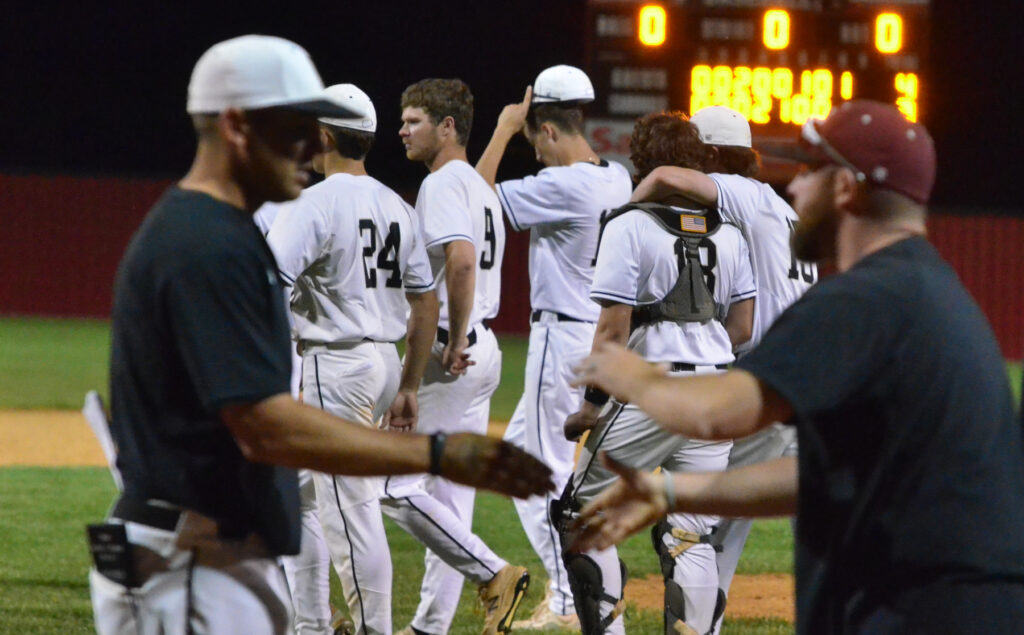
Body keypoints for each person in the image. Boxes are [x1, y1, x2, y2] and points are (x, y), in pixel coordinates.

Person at [87, 35, 553, 635]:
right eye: (295, 128)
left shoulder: (221, 231)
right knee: (349, 504)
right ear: (235, 126)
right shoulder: (202, 246)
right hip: (181, 565)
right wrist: (436, 452)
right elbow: (269, 425)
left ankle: (315, 621)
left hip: (214, 555)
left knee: (325, 502)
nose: (312, 146)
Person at [570, 100, 1024, 634]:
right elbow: (818, 478)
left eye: (810, 172)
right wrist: (673, 492)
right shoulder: (929, 289)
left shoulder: (866, 299)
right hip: (955, 607)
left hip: (918, 612)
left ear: (845, 190)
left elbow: (720, 415)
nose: (794, 189)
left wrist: (631, 375)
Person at [555, 112, 755, 635]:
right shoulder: (731, 232)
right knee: (692, 530)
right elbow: (743, 325)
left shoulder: (629, 224)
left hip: (651, 390)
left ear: (640, 161)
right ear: (698, 160)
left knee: (582, 515)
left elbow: (612, 332)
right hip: (715, 390)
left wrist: (591, 407)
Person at [264, 83, 442, 635]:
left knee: (351, 508)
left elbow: (270, 284)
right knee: (299, 497)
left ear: (322, 135)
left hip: (335, 366)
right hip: (384, 362)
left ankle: (374, 628)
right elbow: (425, 300)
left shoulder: (315, 202)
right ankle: (312, 623)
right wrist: (410, 385)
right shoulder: (395, 202)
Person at [630, 105, 816, 632]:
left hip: (764, 382)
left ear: (711, 155)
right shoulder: (785, 210)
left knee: (690, 530)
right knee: (715, 534)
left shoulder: (742, 194)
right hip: (795, 386)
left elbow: (665, 175)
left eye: (700, 153)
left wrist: (622, 216)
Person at [474, 64, 633, 631]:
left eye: (532, 135)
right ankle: (578, 588)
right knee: (521, 456)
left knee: (541, 473)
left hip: (561, 336)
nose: (531, 148)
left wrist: (499, 130)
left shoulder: (564, 184)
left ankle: (575, 597)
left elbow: (469, 198)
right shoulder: (617, 176)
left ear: (547, 129)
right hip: (597, 332)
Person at [386, 77, 528, 635]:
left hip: (456, 348)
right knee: (449, 496)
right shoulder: (475, 185)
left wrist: (454, 338)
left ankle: (495, 571)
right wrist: (504, 130)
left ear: (447, 128)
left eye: (413, 119)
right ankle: (430, 626)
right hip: (483, 350)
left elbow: (462, 262)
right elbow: (481, 189)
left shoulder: (443, 183)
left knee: (392, 487)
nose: (401, 129)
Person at [255, 202, 335, 635]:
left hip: (284, 355)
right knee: (298, 494)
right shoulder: (282, 204)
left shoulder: (273, 207)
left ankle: (308, 614)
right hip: (294, 354)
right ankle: (311, 615)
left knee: (287, 489)